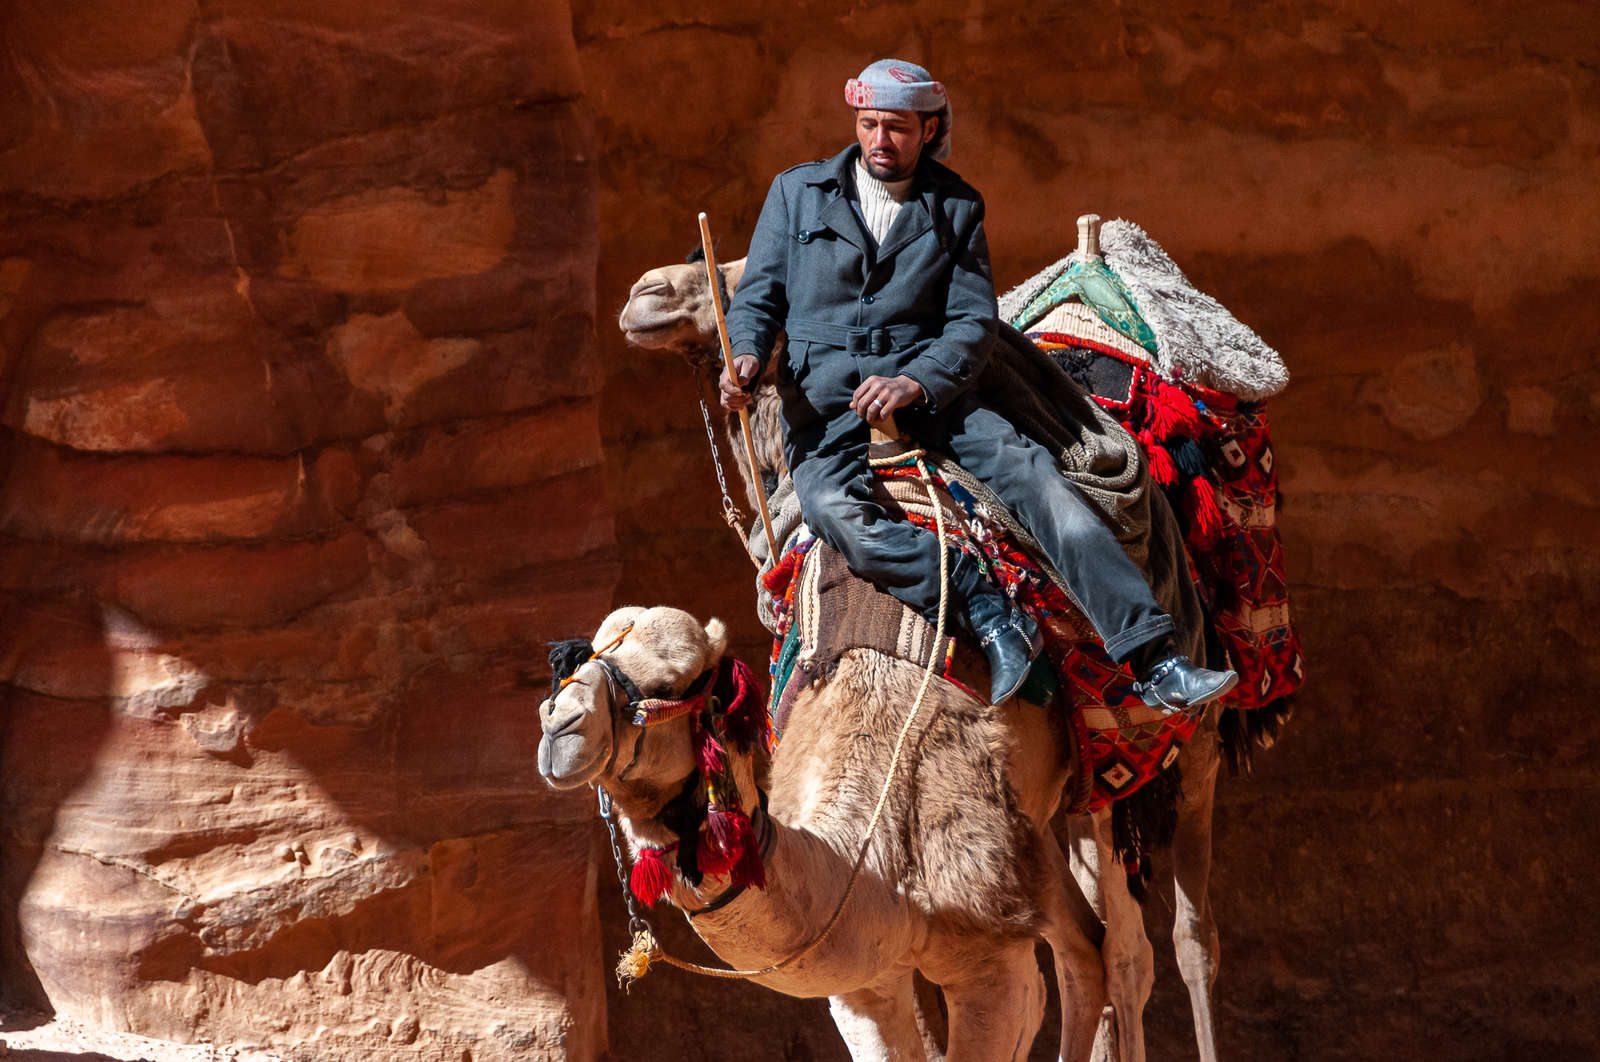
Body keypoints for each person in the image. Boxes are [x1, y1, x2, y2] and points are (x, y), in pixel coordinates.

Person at [720, 59, 1235, 712]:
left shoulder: (956, 208)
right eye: (869, 123)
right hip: (826, 421)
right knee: (837, 516)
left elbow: (969, 325)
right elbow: (759, 298)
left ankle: (1155, 660)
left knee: (1042, 482)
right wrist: (743, 358)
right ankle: (978, 599)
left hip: (939, 408)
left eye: (898, 127)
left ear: (930, 129)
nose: (880, 139)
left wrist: (915, 381)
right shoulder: (796, 194)